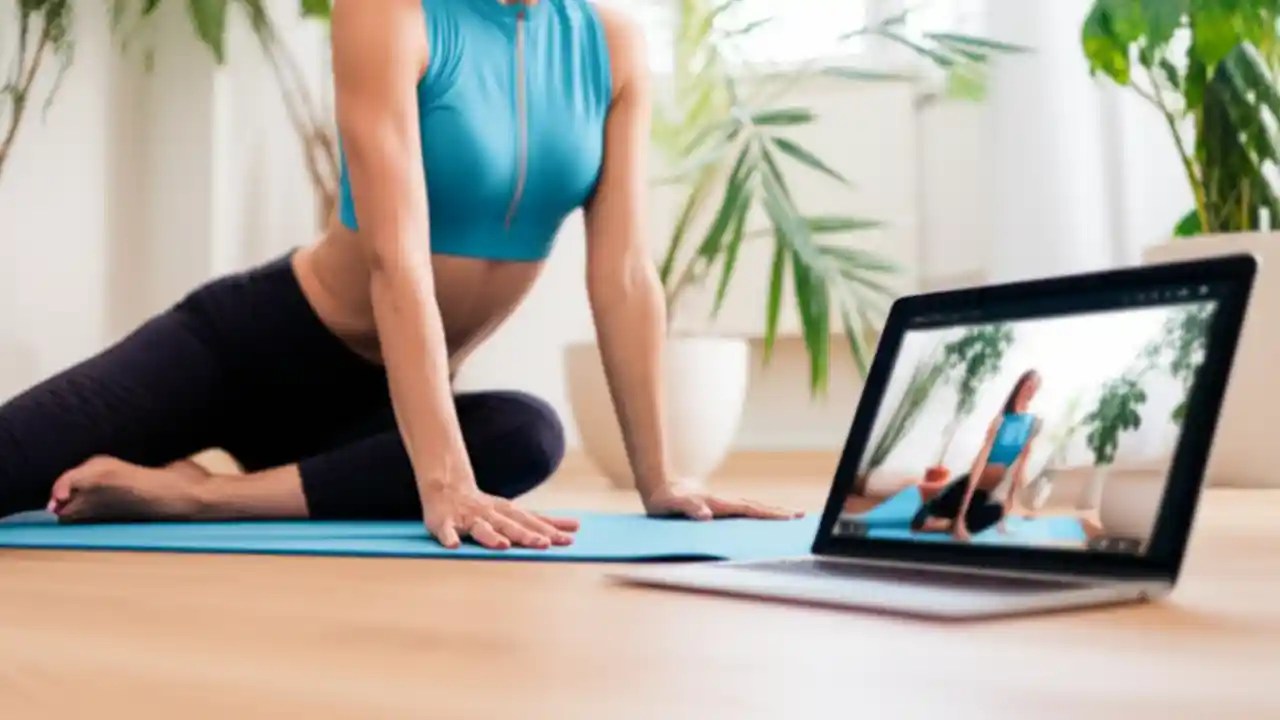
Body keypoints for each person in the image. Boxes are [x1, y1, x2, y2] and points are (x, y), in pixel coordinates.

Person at [0, 0, 801, 550]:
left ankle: (190, 497)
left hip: (376, 407)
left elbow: (625, 273)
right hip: (252, 350)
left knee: (525, 436)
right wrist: (443, 481)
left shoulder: (612, 45)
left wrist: (659, 479)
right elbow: (397, 259)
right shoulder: (394, 12)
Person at [910, 370, 1042, 542]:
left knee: (997, 511)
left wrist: (1009, 511)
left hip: (985, 495)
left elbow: (1020, 467)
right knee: (919, 523)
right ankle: (953, 520)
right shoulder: (1000, 420)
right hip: (968, 488)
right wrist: (961, 514)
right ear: (1020, 386)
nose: (1031, 392)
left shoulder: (1032, 423)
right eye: (1028, 386)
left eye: (1035, 389)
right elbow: (978, 466)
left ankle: (952, 523)